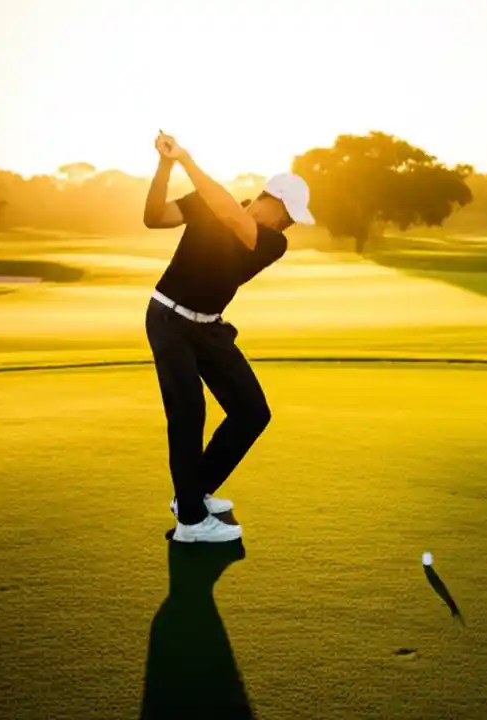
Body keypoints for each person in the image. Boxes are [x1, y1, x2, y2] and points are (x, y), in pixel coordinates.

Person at [143, 131, 314, 543]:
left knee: (252, 412)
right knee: (188, 415)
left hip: (209, 328)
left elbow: (234, 219)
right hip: (169, 318)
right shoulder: (209, 200)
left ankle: (192, 493)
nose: (289, 224)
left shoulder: (274, 241)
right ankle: (191, 522)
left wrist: (186, 159)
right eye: (288, 214)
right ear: (271, 199)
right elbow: (154, 216)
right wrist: (166, 165)